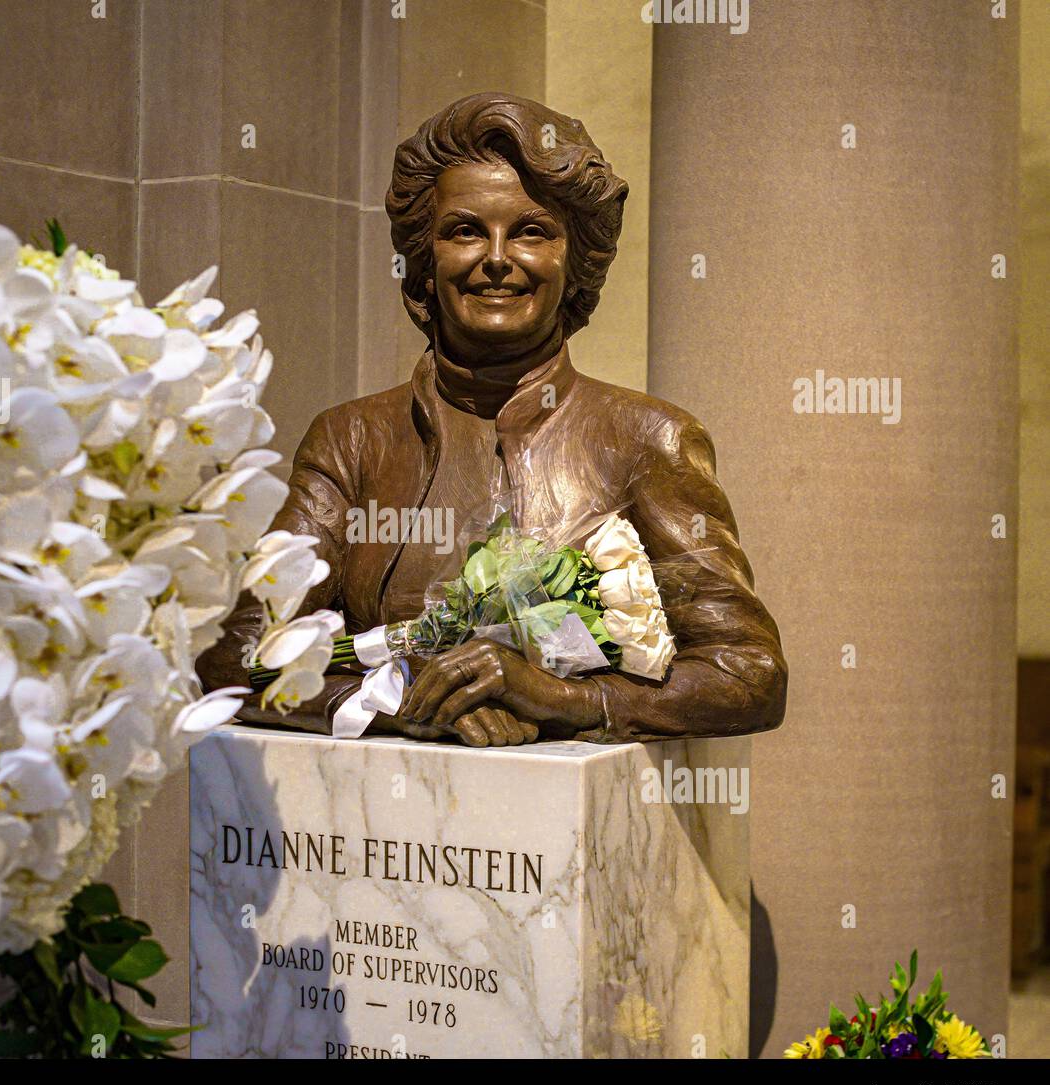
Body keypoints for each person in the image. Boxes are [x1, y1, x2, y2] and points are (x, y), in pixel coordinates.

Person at [198, 92, 786, 747]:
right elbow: (233, 659)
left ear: (577, 258)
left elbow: (747, 671)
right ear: (426, 256)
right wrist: (394, 704)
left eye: (532, 231)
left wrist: (569, 698)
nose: (498, 257)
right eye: (465, 230)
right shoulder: (352, 439)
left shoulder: (646, 440)